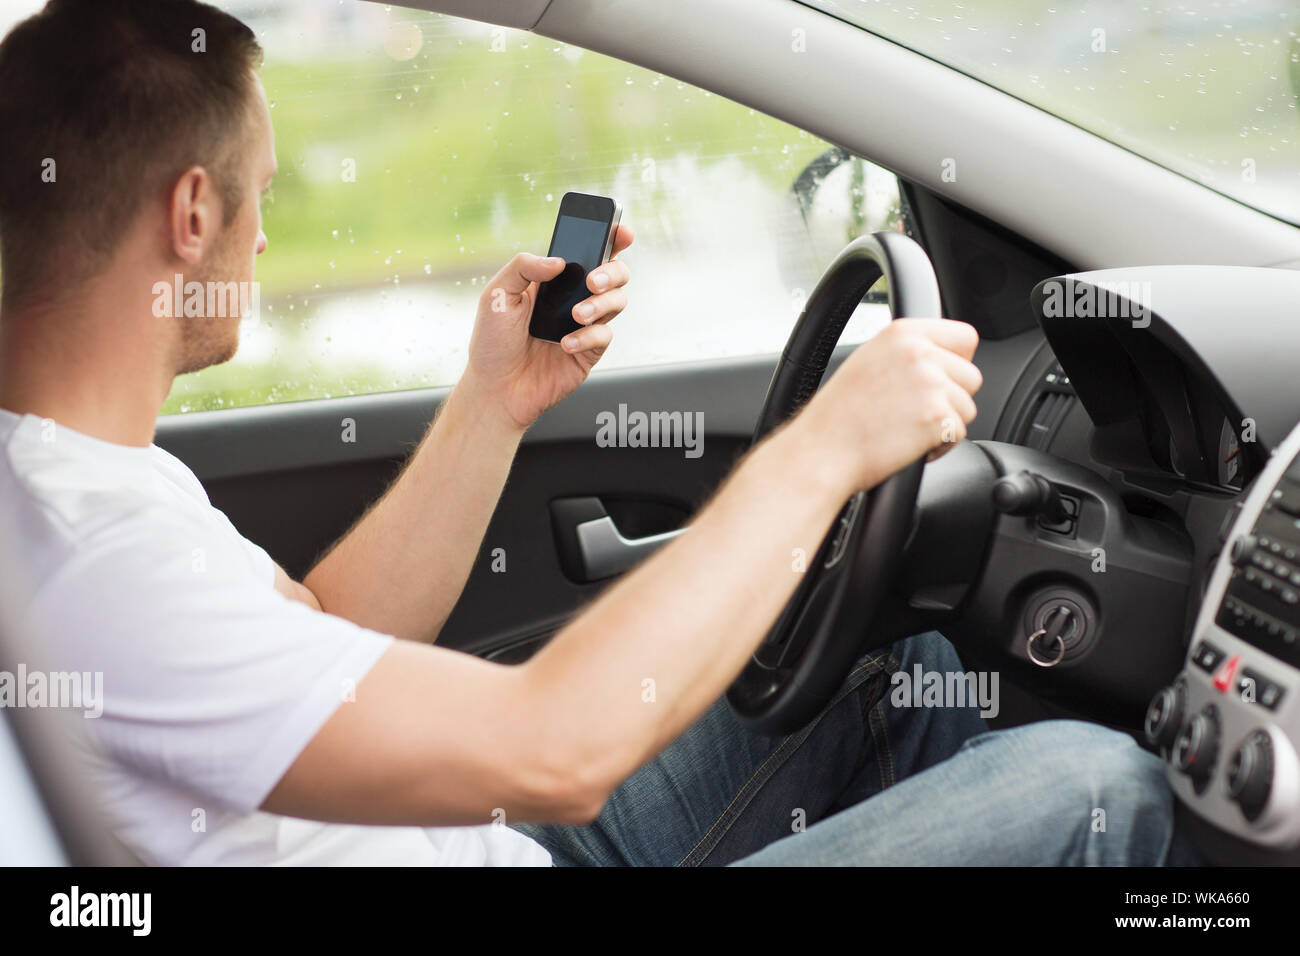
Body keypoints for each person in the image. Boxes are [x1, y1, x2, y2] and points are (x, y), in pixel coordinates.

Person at [0, 0, 1185, 866]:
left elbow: (325, 630)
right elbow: (551, 747)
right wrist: (826, 449)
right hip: (516, 808)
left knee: (896, 675)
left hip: (490, 839)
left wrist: (492, 400)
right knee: (1104, 791)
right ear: (192, 211)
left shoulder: (82, 486)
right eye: (259, 194)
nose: (260, 241)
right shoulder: (95, 562)